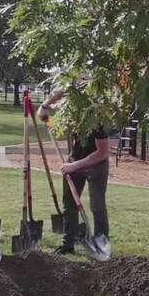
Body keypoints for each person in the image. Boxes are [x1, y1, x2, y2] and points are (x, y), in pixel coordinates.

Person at [38, 87, 111, 254]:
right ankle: (68, 243)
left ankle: (101, 242)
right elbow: (42, 115)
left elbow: (103, 152)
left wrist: (74, 165)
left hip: (96, 164)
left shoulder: (98, 118)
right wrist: (50, 100)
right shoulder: (68, 112)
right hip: (74, 161)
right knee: (69, 204)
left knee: (97, 205)